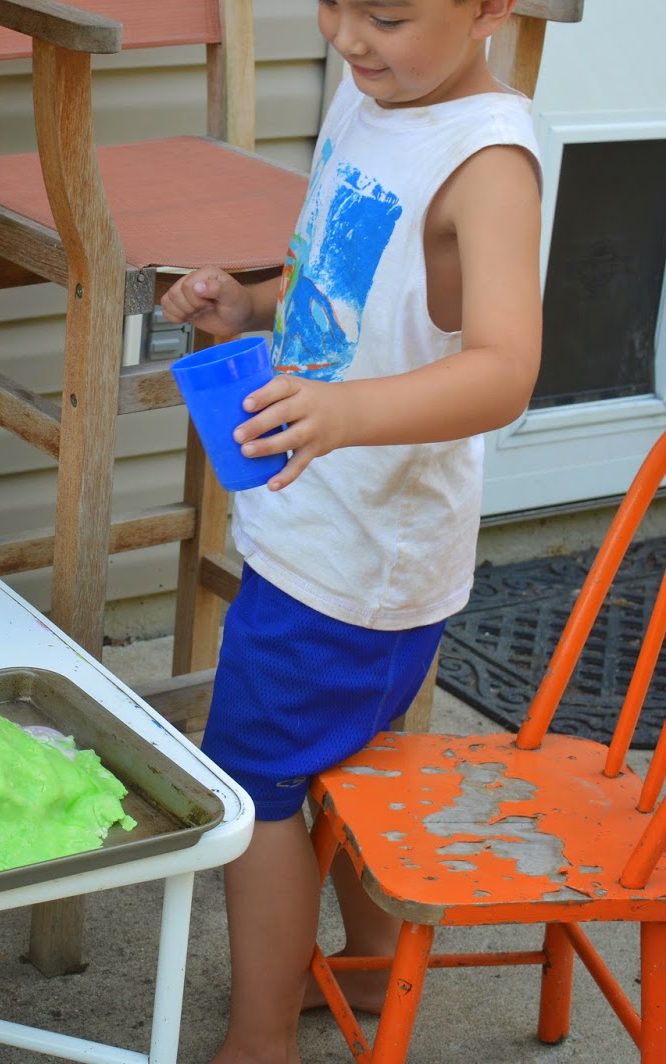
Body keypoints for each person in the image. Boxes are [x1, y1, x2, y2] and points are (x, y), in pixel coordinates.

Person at [159, 1, 542, 1060]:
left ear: (486, 10)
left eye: (383, 13)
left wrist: (345, 414)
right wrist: (250, 305)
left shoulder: (487, 160)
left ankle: (259, 1036)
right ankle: (371, 963)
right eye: (331, 2)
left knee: (257, 789)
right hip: (312, 519)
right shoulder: (376, 91)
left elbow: (506, 368)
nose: (346, 35)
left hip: (361, 556)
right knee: (340, 759)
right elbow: (345, 282)